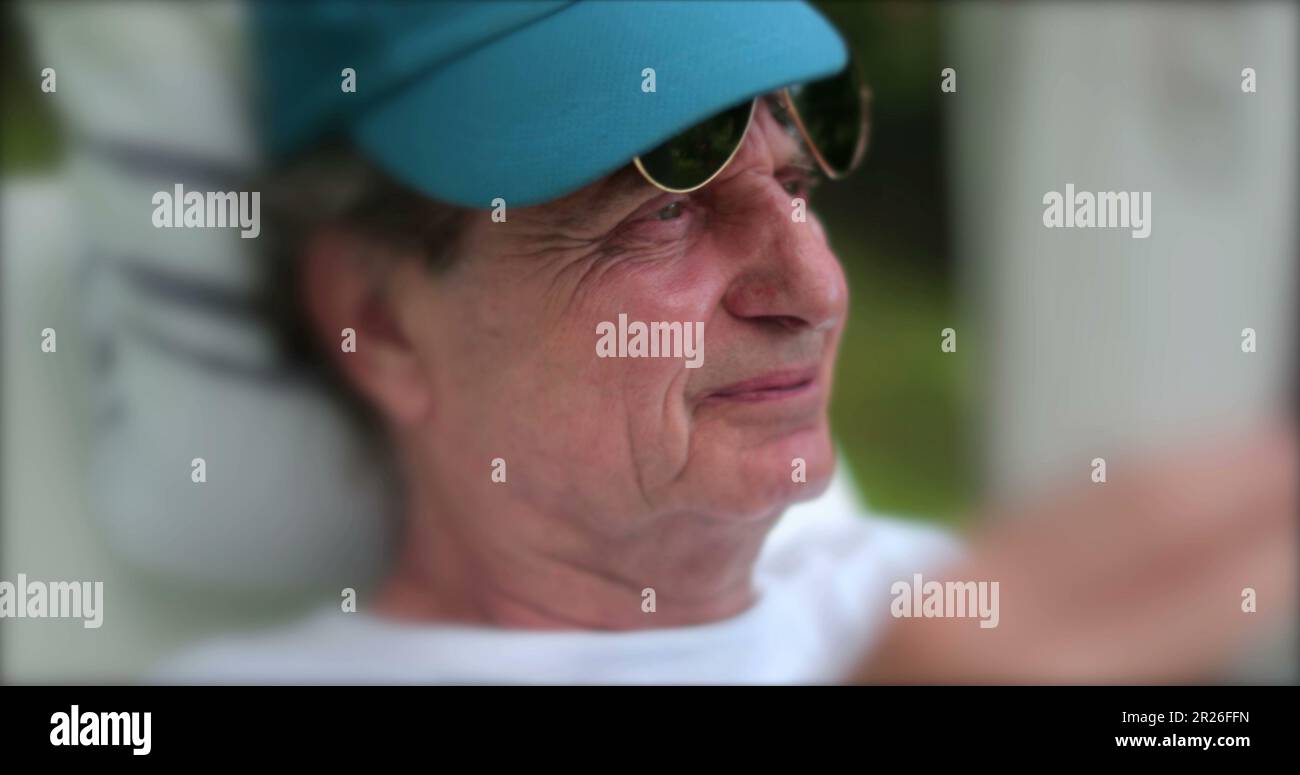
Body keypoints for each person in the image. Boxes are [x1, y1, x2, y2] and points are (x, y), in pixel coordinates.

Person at [158, 0, 1296, 684]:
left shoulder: (952, 599)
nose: (815, 288)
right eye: (660, 210)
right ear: (380, 318)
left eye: (798, 183)